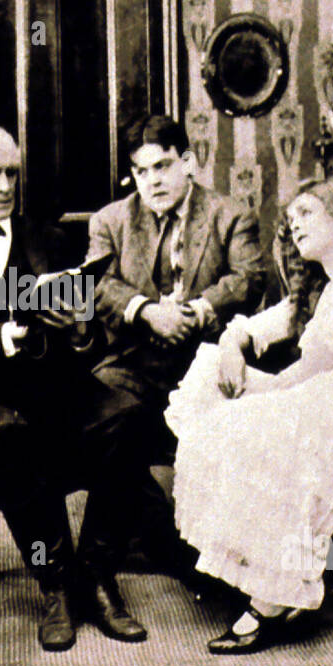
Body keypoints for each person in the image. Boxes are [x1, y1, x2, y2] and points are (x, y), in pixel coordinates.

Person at [0, 123, 176, 651]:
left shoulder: (48, 239)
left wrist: (79, 328)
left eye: (13, 172)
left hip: (53, 387)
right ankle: (56, 583)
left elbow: (89, 337)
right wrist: (4, 335)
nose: (7, 185)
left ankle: (96, 576)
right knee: (9, 435)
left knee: (128, 414)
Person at [165, 180, 333, 652]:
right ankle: (265, 572)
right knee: (210, 377)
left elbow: (318, 363)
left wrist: (256, 395)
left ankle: (273, 596)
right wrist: (231, 343)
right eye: (290, 222)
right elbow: (261, 326)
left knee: (249, 423)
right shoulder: (325, 291)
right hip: (325, 394)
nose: (295, 226)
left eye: (306, 213)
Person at [86, 113, 264, 429]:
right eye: (141, 171)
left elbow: (248, 277)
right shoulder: (109, 221)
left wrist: (194, 313)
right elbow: (97, 282)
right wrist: (148, 312)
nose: (153, 181)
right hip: (133, 361)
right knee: (101, 414)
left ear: (187, 163)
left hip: (206, 358)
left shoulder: (231, 215)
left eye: (162, 166)